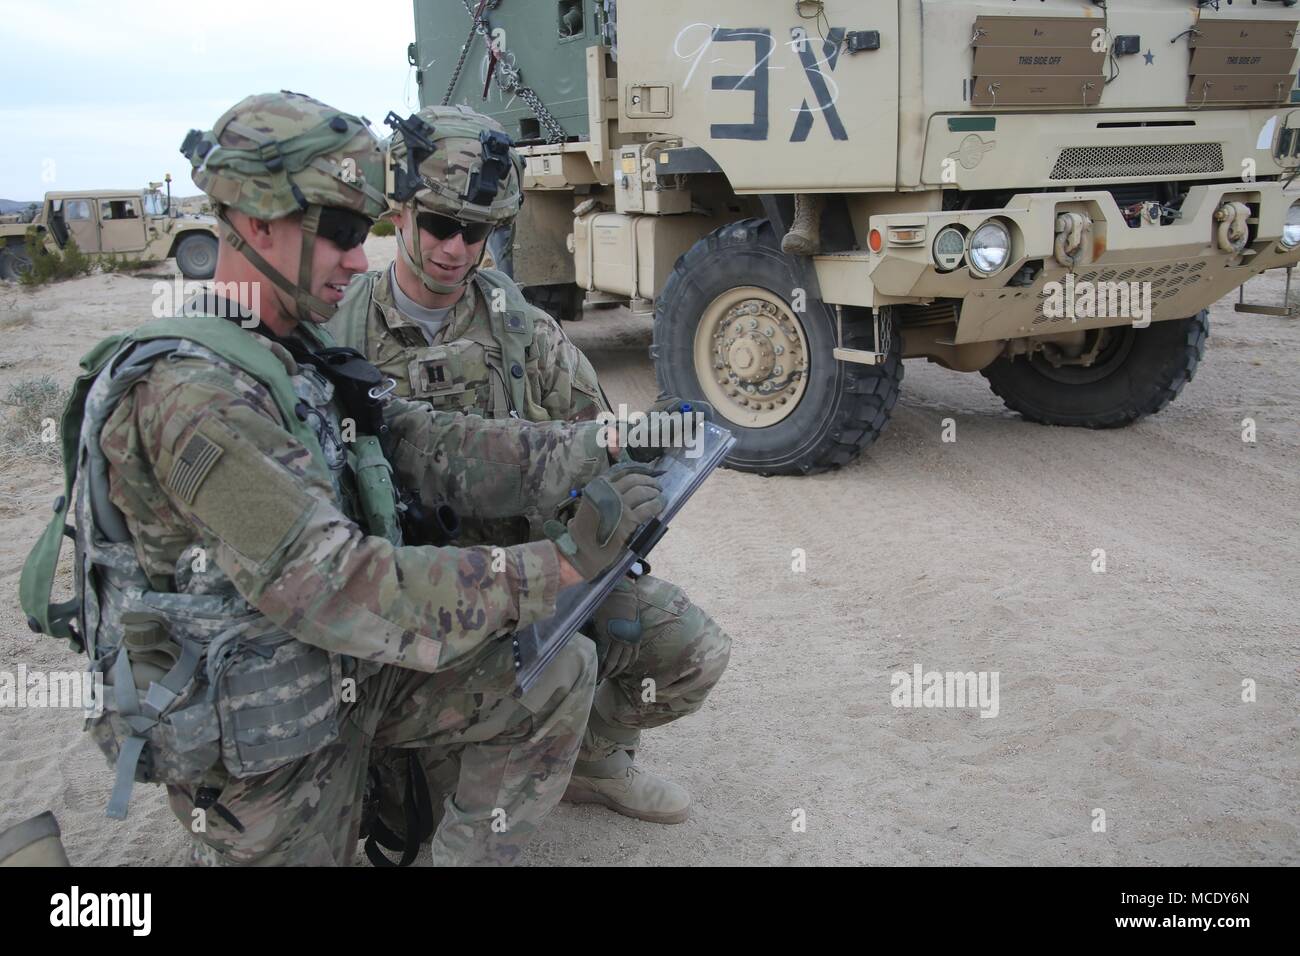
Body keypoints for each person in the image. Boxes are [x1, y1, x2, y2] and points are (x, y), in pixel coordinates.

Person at [20, 91, 666, 866]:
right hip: (266, 738)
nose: (362, 260)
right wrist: (554, 570)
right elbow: (336, 585)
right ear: (257, 222)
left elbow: (426, 444)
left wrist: (590, 449)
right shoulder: (196, 397)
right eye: (341, 233)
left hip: (344, 673)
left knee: (555, 670)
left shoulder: (290, 347)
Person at [328, 105, 730, 838]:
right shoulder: (339, 334)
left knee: (687, 650)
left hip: (543, 576)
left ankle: (595, 760)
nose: (455, 248)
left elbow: (588, 433)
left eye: (475, 231)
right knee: (407, 809)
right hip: (417, 603)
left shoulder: (520, 326)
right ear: (398, 213)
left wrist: (635, 471)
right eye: (439, 224)